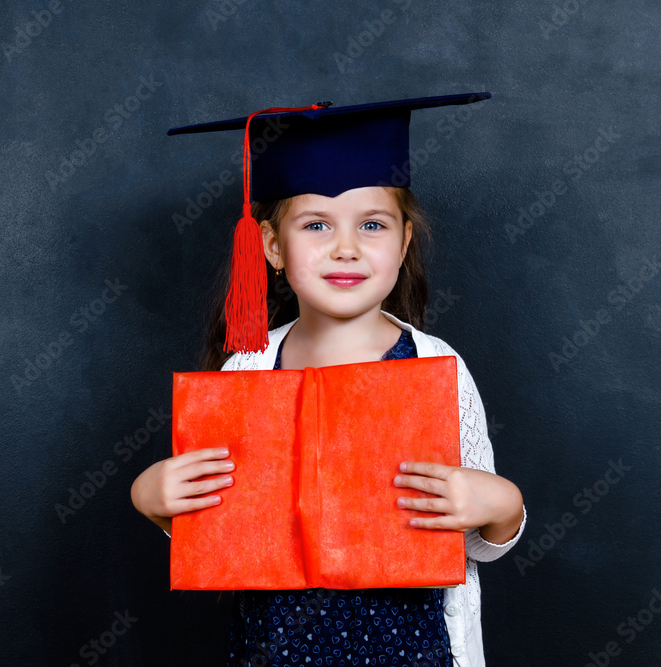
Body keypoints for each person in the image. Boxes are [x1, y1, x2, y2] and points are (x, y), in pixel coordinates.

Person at [131, 93, 527, 667]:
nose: (346, 248)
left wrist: (502, 503)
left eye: (372, 224)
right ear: (270, 246)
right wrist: (152, 499)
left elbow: (478, 539)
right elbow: (224, 526)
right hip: (277, 651)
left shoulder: (434, 364)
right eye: (317, 224)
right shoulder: (248, 366)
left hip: (411, 650)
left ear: (404, 243)